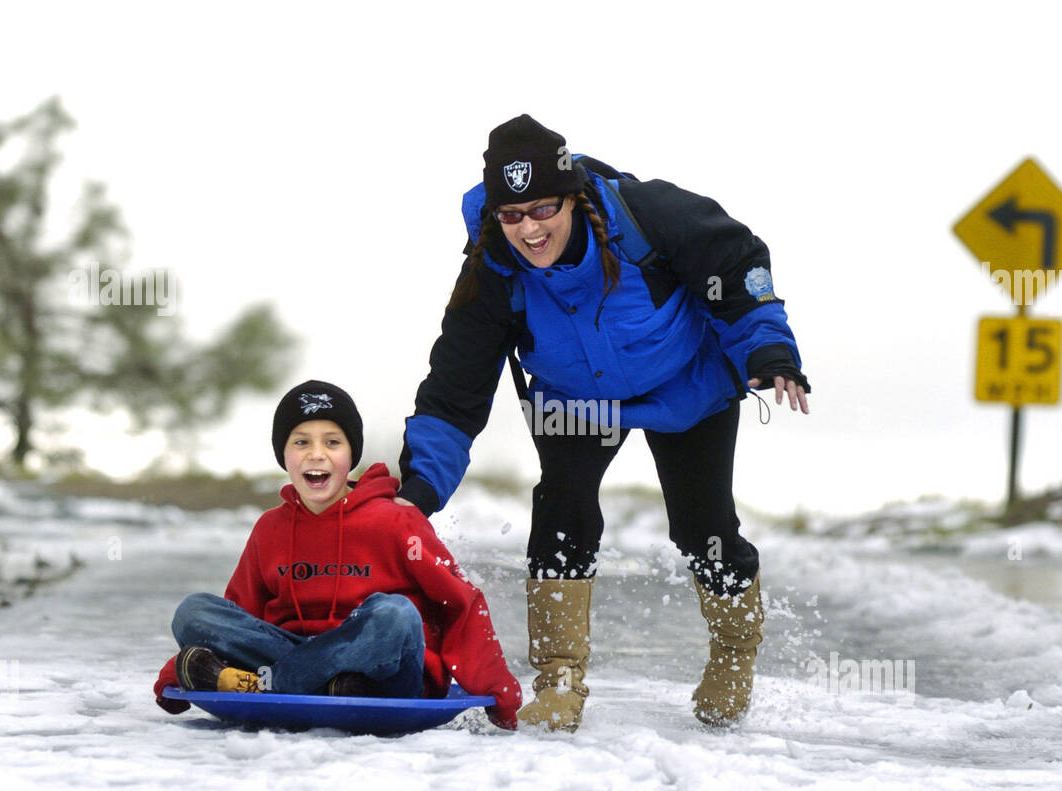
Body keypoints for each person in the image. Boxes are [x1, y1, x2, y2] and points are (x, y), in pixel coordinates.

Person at [396, 115, 811, 732]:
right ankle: (559, 678)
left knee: (703, 529)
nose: (530, 229)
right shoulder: (492, 271)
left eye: (542, 209)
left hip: (687, 387)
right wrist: (415, 495)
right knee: (563, 504)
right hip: (575, 399)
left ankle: (733, 649)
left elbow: (739, 270)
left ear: (572, 197)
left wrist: (769, 351)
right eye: (512, 216)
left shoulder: (650, 215)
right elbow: (454, 393)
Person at [152, 379, 522, 730]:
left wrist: (497, 691)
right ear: (284, 454)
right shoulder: (270, 528)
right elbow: (240, 611)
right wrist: (175, 671)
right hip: (297, 652)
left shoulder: (397, 521)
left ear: (351, 454)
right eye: (301, 442)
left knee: (394, 615)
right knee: (194, 611)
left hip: (385, 671)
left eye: (332, 442)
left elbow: (462, 600)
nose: (317, 454)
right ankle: (322, 685)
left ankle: (274, 684)